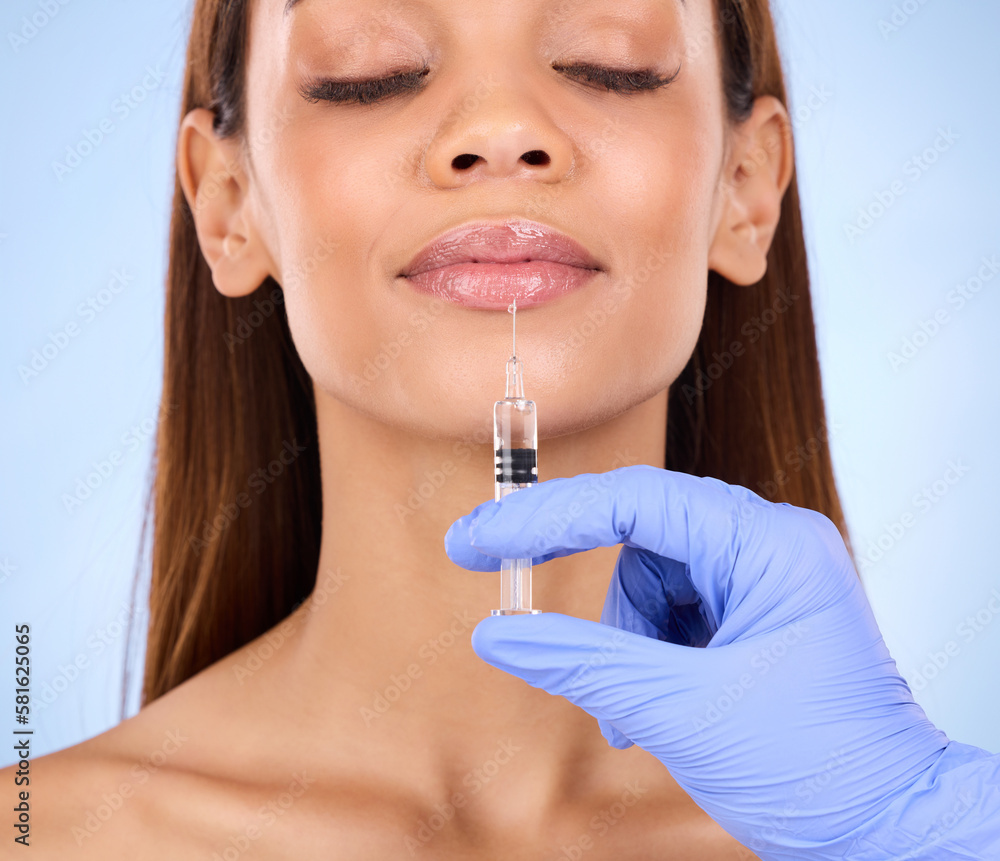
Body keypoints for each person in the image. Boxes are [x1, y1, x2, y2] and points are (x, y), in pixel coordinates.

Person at [10, 0, 997, 857]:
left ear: (744, 186)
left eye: (609, 61)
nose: (501, 131)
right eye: (370, 71)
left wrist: (915, 820)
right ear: (229, 204)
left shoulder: (858, 818)